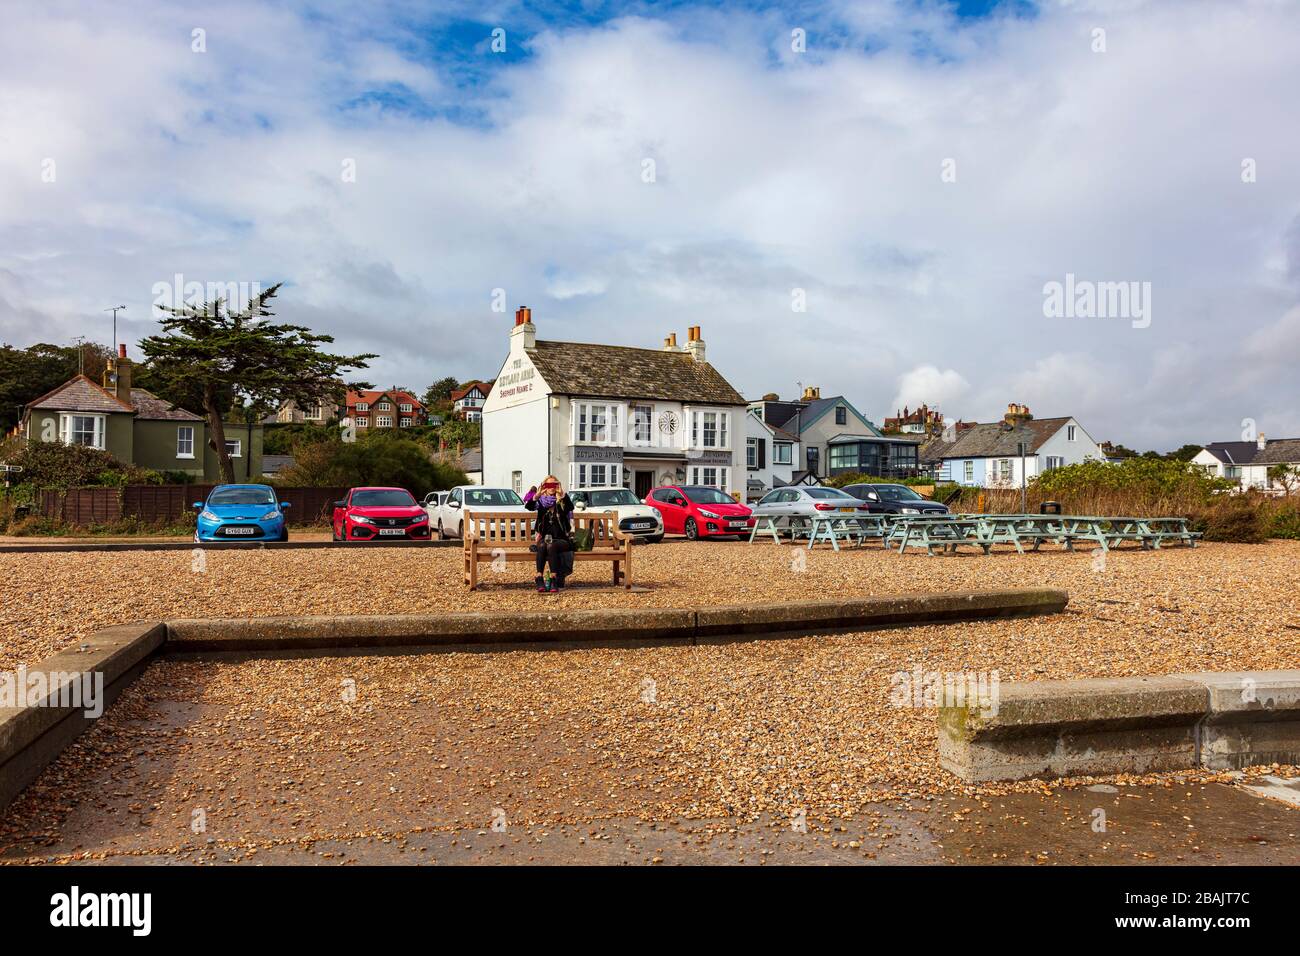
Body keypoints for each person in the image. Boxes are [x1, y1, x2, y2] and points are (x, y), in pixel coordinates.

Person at [523, 475, 574, 593]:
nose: (551, 488)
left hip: (562, 539)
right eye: (548, 485)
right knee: (542, 545)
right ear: (544, 487)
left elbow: (570, 507)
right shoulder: (541, 502)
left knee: (551, 545)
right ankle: (539, 578)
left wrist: (562, 494)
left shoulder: (561, 501)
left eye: (554, 484)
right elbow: (529, 506)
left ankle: (553, 579)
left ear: (557, 486)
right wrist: (538, 494)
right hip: (545, 539)